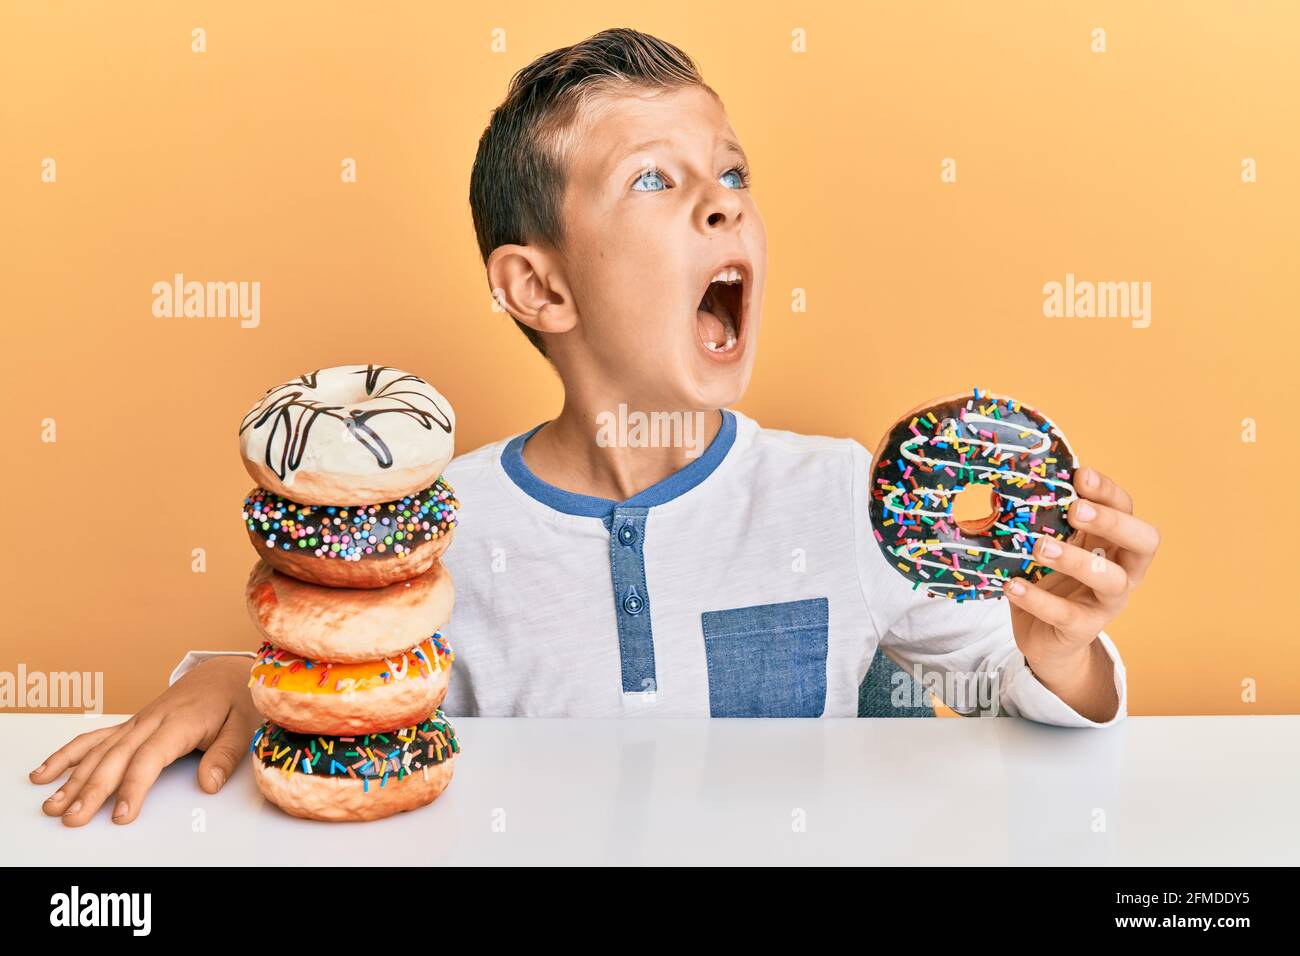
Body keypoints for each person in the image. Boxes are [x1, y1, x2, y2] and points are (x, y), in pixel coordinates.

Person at [31, 28, 1159, 826]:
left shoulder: (840, 496)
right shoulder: (434, 533)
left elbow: (1023, 709)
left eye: (732, 173)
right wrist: (240, 676)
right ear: (540, 289)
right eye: (655, 180)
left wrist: (1058, 648)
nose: (723, 200)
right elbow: (346, 693)